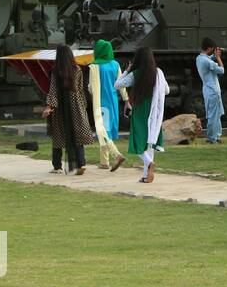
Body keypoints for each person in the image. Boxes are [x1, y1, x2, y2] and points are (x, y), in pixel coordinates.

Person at [116, 46, 168, 184]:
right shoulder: (159, 73)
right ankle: (146, 175)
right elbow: (167, 90)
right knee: (149, 142)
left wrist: (127, 69)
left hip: (140, 110)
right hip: (154, 111)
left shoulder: (136, 74)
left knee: (137, 142)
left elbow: (118, 84)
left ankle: (149, 164)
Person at [43, 44, 91, 176]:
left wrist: (49, 106)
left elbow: (53, 90)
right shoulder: (77, 69)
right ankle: (81, 163)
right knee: (77, 135)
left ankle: (57, 166)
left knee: (58, 137)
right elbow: (81, 90)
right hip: (76, 106)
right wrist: (83, 106)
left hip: (60, 108)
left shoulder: (55, 71)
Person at [88, 39, 126, 172]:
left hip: (101, 102)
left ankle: (116, 154)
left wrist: (90, 90)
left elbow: (92, 88)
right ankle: (104, 162)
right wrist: (126, 100)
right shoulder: (116, 65)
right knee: (105, 129)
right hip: (113, 102)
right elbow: (121, 85)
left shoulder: (94, 66)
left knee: (101, 130)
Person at [197, 38, 226, 144]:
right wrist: (218, 58)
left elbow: (208, 59)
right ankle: (211, 138)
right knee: (213, 115)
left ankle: (216, 136)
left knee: (215, 115)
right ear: (209, 48)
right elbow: (222, 70)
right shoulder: (207, 61)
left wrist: (214, 55)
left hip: (208, 90)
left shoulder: (199, 58)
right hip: (213, 91)